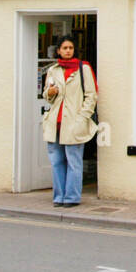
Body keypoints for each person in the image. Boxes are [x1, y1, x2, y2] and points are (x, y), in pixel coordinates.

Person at [40, 36, 97, 207]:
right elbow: (47, 97)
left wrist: (82, 118)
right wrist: (50, 92)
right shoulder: (53, 70)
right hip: (55, 123)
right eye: (64, 48)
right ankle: (59, 197)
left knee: (74, 161)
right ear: (58, 50)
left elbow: (91, 95)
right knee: (56, 161)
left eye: (70, 47)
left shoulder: (83, 68)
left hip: (74, 122)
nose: (67, 50)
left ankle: (72, 197)